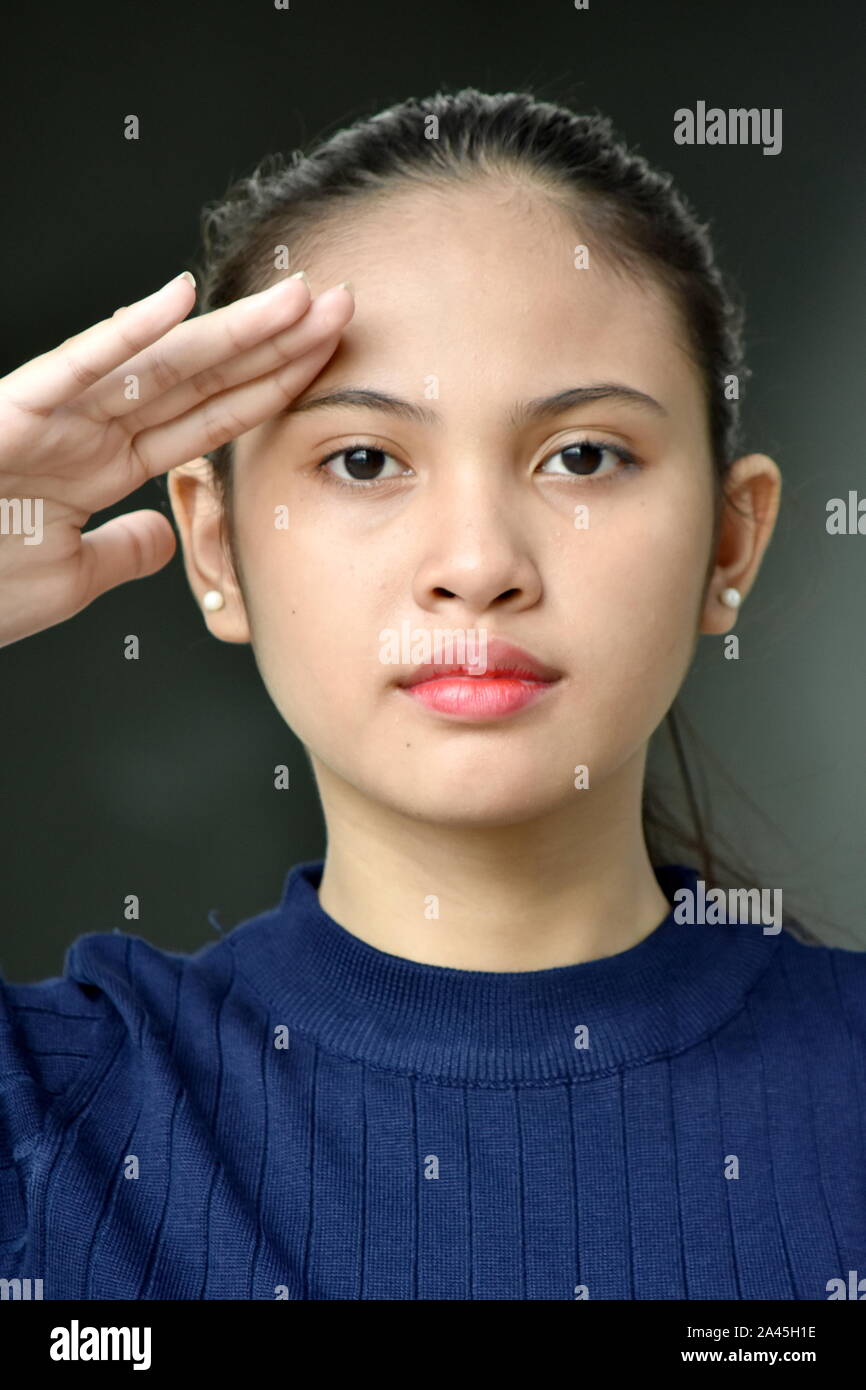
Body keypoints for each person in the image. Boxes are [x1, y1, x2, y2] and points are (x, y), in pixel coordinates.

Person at [0, 88, 863, 1301]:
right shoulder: (48, 1113)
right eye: (362, 461)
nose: (476, 563)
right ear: (214, 546)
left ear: (730, 542)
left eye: (582, 455)